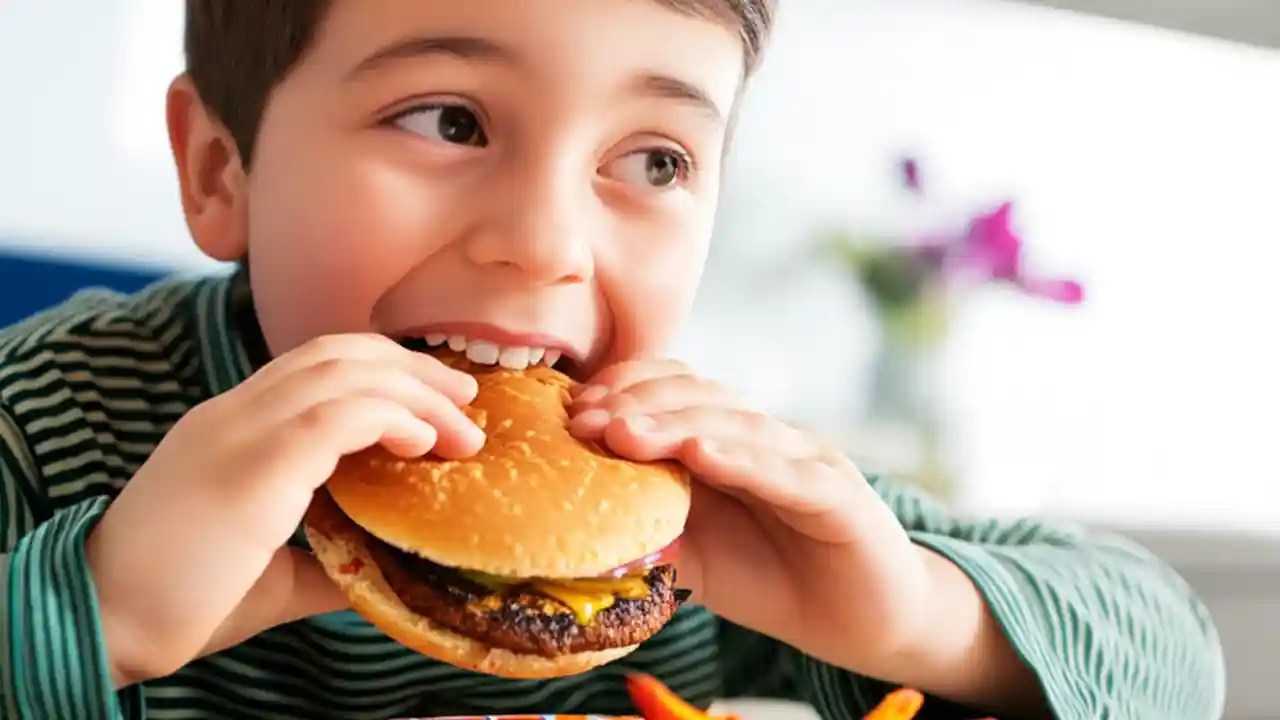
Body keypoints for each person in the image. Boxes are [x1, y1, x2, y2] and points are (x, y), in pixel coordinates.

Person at [0, 1, 1225, 719]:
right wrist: (93, 612)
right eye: (448, 120)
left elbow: (1172, 658)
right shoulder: (47, 418)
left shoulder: (678, 492)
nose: (545, 248)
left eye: (654, 160)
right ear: (223, 169)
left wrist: (910, 616)